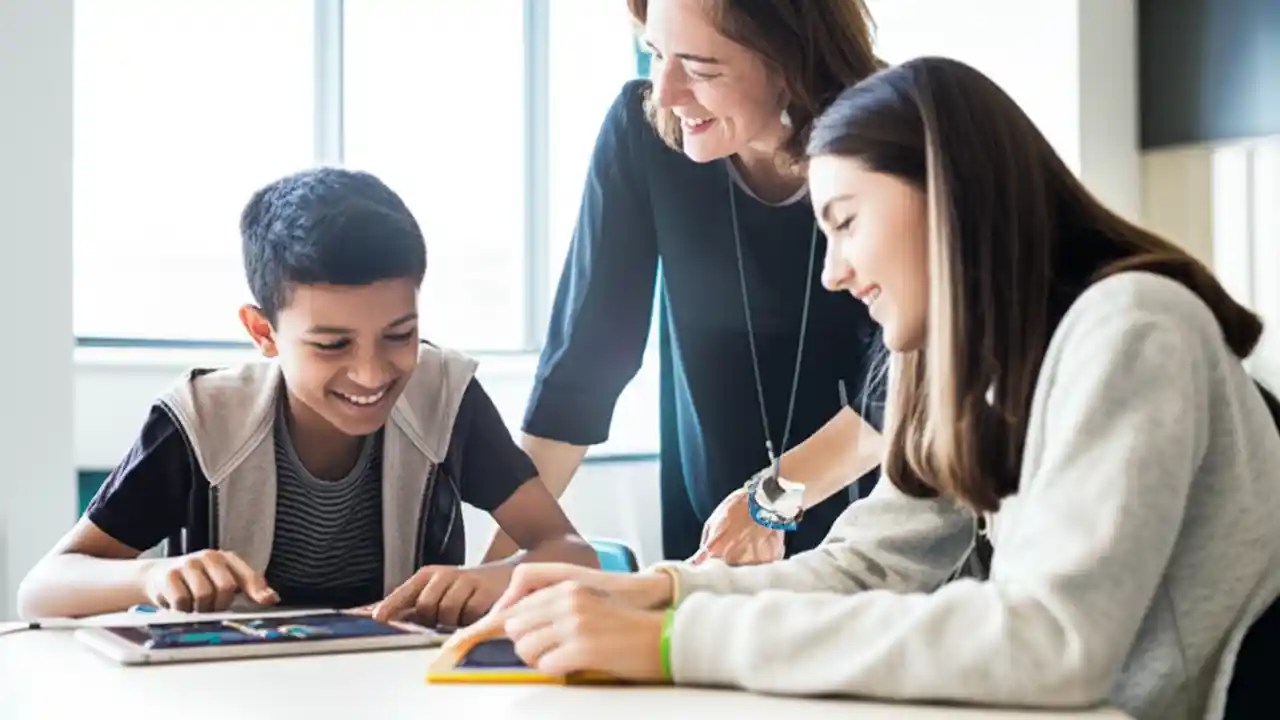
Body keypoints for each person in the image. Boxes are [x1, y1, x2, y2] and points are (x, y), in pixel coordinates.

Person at [451, 58, 1280, 719]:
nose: (834, 272)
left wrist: (677, 641)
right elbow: (870, 565)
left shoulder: (1131, 327)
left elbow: (1052, 640)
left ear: (945, 198)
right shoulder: (964, 365)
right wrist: (658, 592)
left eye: (846, 222)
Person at [17, 168, 597, 623]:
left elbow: (570, 551)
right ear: (263, 332)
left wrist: (499, 576)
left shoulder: (447, 397)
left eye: (399, 335)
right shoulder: (201, 419)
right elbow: (43, 589)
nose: (371, 374)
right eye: (331, 344)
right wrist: (150, 578)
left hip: (402, 687)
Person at [485, 0, 887, 567]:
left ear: (790, 62)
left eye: (700, 68)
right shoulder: (642, 131)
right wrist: (494, 571)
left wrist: (767, 502)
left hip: (879, 553)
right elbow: (582, 367)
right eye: (655, 53)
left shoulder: (893, 141)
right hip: (716, 549)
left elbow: (909, 388)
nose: (666, 91)